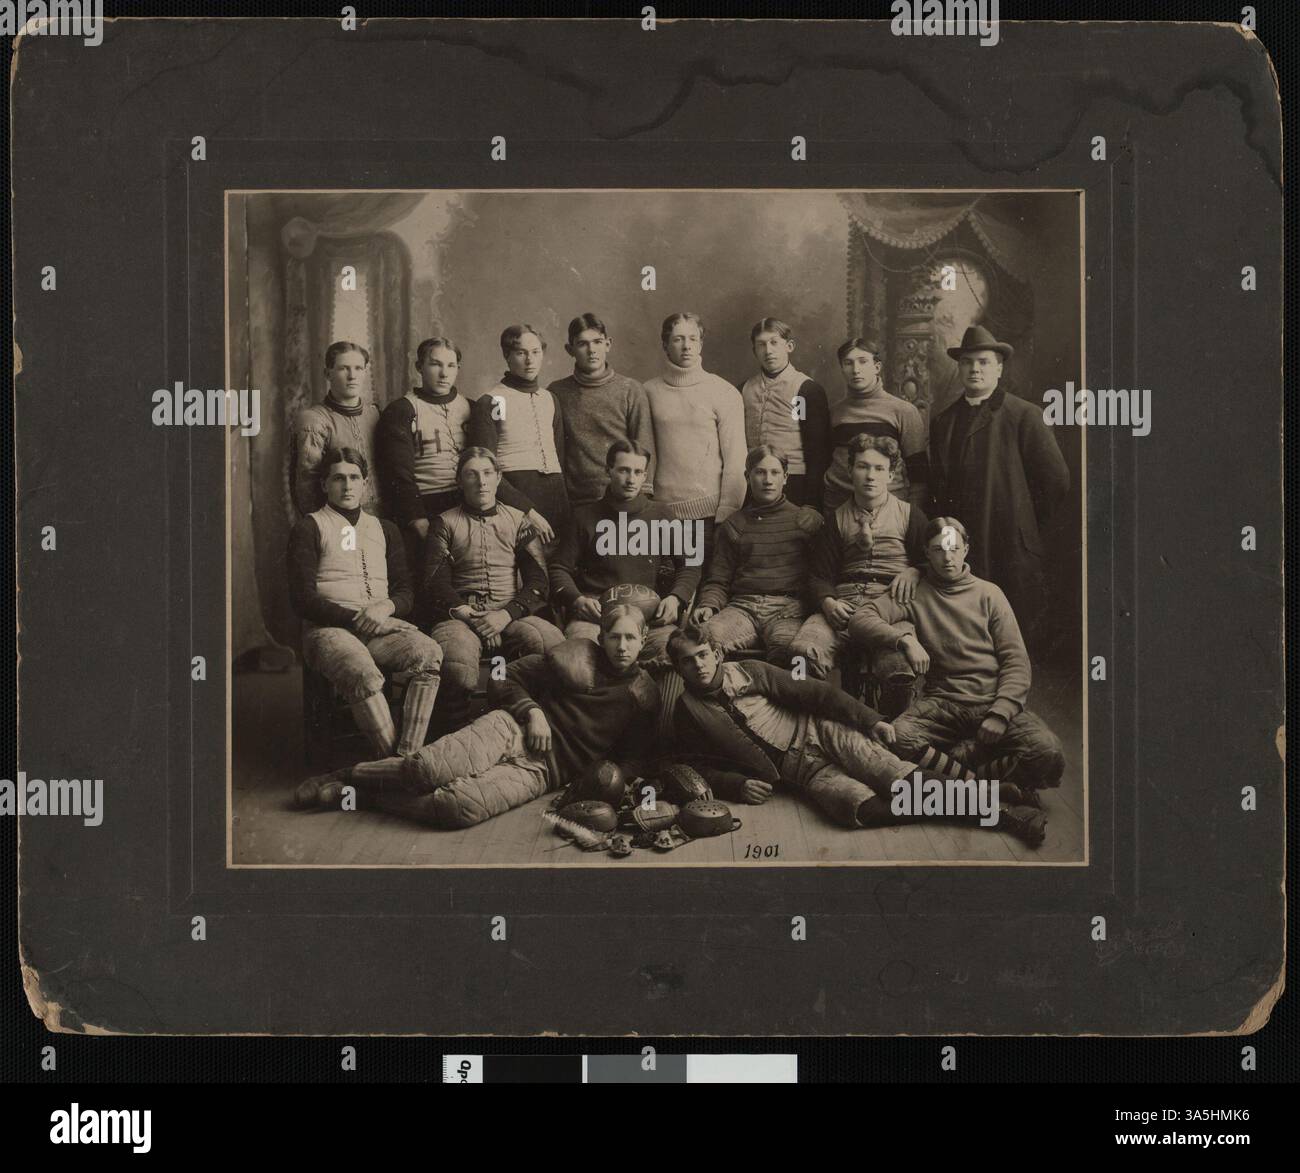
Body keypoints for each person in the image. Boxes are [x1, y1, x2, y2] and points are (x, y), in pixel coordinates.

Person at [666, 625, 1046, 844]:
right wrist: (736, 784)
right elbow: (691, 764)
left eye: (703, 654)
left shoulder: (751, 670)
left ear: (716, 652)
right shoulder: (688, 710)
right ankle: (985, 793)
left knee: (896, 778)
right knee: (856, 809)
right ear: (677, 668)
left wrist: (867, 720)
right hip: (804, 772)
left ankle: (1003, 815)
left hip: (825, 732)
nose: (698, 665)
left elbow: (817, 692)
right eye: (688, 660)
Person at [293, 605, 659, 829]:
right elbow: (503, 676)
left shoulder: (642, 696)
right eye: (614, 637)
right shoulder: (577, 656)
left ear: (644, 638)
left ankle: (359, 795)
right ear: (602, 636)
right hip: (510, 729)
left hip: (545, 771)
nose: (621, 646)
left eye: (629, 638)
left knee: (456, 809)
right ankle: (345, 774)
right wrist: (532, 712)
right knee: (426, 769)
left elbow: (635, 757)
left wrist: (604, 784)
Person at [851, 516, 1066, 796]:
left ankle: (961, 775)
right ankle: (983, 787)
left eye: (954, 548)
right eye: (938, 549)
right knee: (899, 739)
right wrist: (903, 639)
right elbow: (861, 617)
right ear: (926, 553)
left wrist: (1000, 714)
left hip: (990, 698)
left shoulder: (990, 594)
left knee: (1047, 752)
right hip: (943, 703)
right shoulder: (914, 592)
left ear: (966, 548)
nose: (947, 558)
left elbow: (1016, 661)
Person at [287, 447, 443, 757]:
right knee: (363, 673)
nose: (347, 486)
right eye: (338, 478)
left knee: (429, 654)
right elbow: (303, 600)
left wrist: (386, 607)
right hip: (329, 630)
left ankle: (406, 757)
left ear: (366, 484)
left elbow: (405, 591)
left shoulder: (385, 529)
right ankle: (392, 764)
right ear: (324, 485)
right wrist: (359, 619)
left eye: (354, 478)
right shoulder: (309, 527)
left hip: (381, 628)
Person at [927, 324, 1069, 634]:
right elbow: (937, 486)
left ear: (999, 368)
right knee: (967, 632)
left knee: (1014, 634)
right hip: (964, 544)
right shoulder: (944, 421)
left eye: (983, 362)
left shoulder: (1025, 415)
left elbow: (1056, 481)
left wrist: (1024, 524)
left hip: (1011, 544)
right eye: (967, 362)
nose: (974, 369)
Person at [375, 337, 551, 581]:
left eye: (451, 365)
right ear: (419, 367)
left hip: (468, 502)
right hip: (426, 505)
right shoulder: (402, 410)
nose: (444, 373)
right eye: (435, 364)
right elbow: (399, 475)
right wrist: (418, 520)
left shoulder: (471, 406)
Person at [420, 447, 564, 704]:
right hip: (461, 617)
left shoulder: (519, 521)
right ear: (459, 481)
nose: (481, 481)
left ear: (498, 477)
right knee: (457, 668)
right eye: (471, 474)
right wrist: (473, 617)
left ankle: (532, 721)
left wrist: (505, 615)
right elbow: (435, 583)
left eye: (487, 473)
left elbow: (538, 581)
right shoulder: (444, 523)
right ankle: (458, 733)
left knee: (554, 649)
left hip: (508, 614)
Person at [791, 434, 928, 704]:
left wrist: (916, 570)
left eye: (879, 469)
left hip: (889, 608)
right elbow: (819, 574)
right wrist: (828, 602)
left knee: (898, 667)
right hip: (843, 607)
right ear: (851, 470)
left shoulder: (910, 515)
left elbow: (933, 561)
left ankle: (891, 735)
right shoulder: (836, 518)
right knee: (801, 653)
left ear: (891, 475)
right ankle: (820, 728)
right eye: (863, 466)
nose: (870, 476)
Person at [549, 440, 699, 662]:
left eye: (638, 472)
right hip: (596, 618)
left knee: (674, 654)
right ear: (608, 470)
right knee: (578, 659)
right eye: (623, 470)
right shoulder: (584, 516)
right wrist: (576, 599)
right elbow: (558, 567)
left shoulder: (662, 515)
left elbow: (691, 563)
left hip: (647, 617)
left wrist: (676, 598)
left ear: (645, 476)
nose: (631, 479)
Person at [691, 445, 818, 666]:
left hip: (788, 609)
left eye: (775, 473)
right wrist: (708, 605)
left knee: (790, 654)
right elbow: (718, 579)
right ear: (747, 477)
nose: (768, 480)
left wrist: (804, 604)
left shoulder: (805, 521)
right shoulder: (734, 525)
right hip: (742, 608)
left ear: (786, 477)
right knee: (703, 641)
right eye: (760, 472)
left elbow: (820, 575)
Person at [643, 311, 747, 564]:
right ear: (665, 345)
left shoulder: (723, 391)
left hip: (710, 515)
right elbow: (643, 453)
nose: (686, 346)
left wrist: (728, 511)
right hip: (660, 513)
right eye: (678, 339)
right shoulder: (647, 391)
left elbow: (736, 459)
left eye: (693, 338)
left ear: (701, 343)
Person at [467, 324, 569, 546]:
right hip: (517, 496)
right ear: (507, 355)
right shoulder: (493, 401)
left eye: (536, 352)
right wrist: (527, 510)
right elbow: (486, 469)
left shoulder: (550, 399)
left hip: (556, 496)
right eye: (521, 353)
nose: (530, 360)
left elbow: (559, 457)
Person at [547, 313, 657, 506]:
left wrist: (641, 499)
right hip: (576, 503)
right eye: (582, 344)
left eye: (597, 342)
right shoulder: (557, 392)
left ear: (608, 344)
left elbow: (644, 446)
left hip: (622, 500)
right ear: (569, 349)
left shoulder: (630, 389)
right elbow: (554, 450)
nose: (591, 350)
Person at [823, 337, 928, 510]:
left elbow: (919, 475)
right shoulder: (834, 412)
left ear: (877, 367)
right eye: (848, 363)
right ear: (842, 368)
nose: (856, 370)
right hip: (838, 505)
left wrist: (911, 515)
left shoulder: (903, 411)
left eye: (863, 362)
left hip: (888, 508)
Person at [739, 317, 830, 509]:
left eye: (774, 343)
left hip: (794, 483)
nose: (768, 350)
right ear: (754, 350)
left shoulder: (804, 390)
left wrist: (812, 503)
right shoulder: (744, 389)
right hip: (751, 484)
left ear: (789, 346)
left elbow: (817, 451)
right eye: (761, 345)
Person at [291, 341, 381, 515]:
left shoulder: (374, 414)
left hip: (379, 518)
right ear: (327, 373)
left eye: (358, 368)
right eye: (343, 368)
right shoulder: (314, 420)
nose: (352, 376)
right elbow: (307, 486)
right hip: (337, 520)